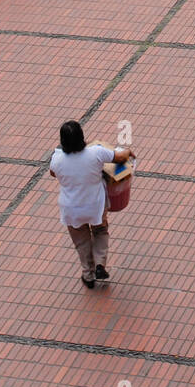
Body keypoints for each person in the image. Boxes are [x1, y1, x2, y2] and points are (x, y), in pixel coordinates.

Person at [49, 120, 134, 289]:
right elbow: (120, 157)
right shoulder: (95, 153)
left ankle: (88, 274)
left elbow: (53, 173)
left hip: (71, 209)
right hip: (95, 205)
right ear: (81, 137)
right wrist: (129, 151)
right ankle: (100, 264)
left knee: (81, 241)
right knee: (100, 231)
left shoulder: (57, 159)